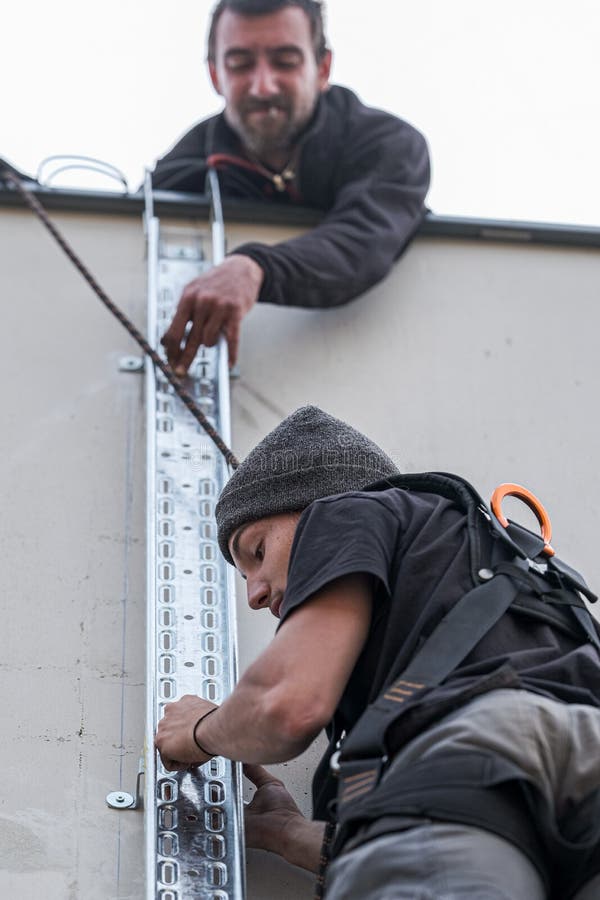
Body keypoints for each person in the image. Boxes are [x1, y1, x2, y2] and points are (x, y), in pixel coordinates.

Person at [155, 406, 600, 899]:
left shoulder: (345, 510)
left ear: (312, 505)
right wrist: (287, 834)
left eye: (256, 552)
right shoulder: (491, 580)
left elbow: (286, 706)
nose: (254, 595)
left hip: (470, 758)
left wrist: (198, 731)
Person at [152, 0, 430, 372]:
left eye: (285, 62)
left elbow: (364, 239)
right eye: (240, 64)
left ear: (323, 68)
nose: (263, 86)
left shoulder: (387, 144)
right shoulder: (183, 167)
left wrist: (254, 268)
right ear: (215, 76)